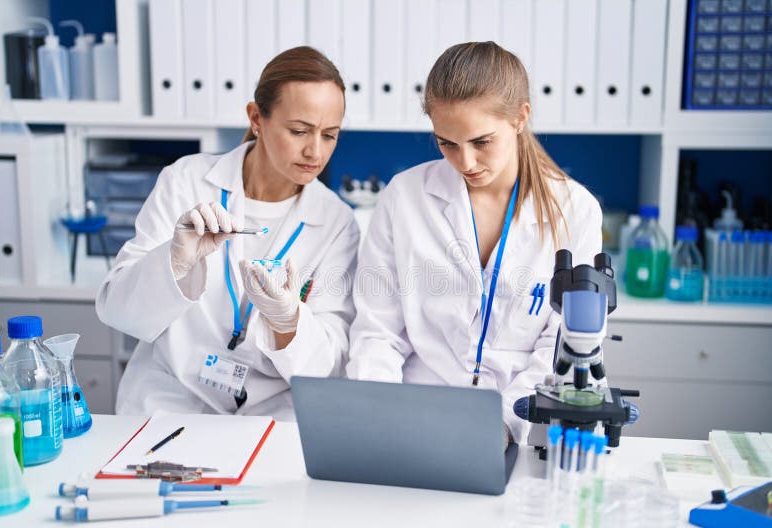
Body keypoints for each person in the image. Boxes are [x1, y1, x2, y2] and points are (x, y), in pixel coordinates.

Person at [346, 42, 602, 445]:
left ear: (521, 118)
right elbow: (378, 330)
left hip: (517, 421)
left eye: (481, 142)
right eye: (446, 143)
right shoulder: (404, 196)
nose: (465, 162)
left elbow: (564, 343)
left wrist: (501, 426)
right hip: (411, 418)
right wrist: (378, 414)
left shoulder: (575, 210)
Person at [97, 46, 359, 417]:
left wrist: (290, 322)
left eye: (330, 135)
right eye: (299, 131)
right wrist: (174, 262)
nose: (314, 151)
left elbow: (328, 366)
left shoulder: (337, 223)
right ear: (256, 118)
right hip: (171, 400)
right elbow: (119, 313)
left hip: (272, 413)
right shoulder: (185, 181)